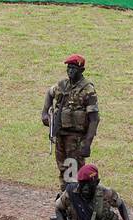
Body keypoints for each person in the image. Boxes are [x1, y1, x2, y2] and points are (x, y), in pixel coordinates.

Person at [41, 54, 98, 185]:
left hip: (76, 139)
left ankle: (73, 198)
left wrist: (87, 144)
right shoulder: (62, 85)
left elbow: (94, 119)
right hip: (60, 135)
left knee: (74, 172)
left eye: (74, 68)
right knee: (62, 168)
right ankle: (65, 196)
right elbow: (50, 93)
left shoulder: (87, 89)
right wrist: (45, 113)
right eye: (69, 68)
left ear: (81, 70)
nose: (70, 71)